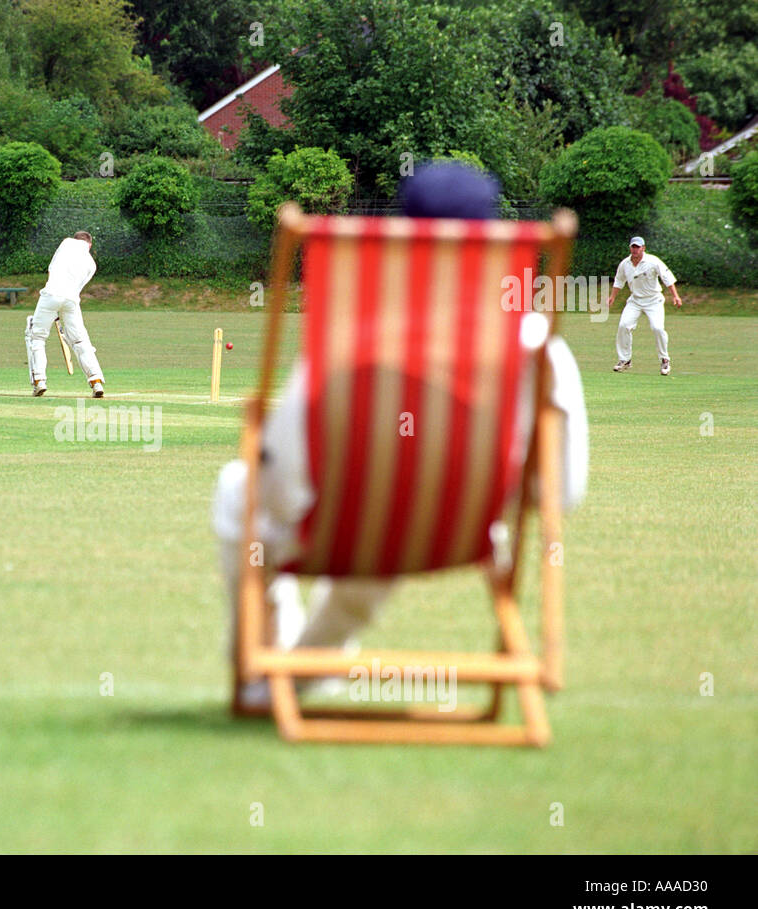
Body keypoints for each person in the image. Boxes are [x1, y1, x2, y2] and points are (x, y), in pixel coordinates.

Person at [212, 162, 590, 705]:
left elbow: (280, 477)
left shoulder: (352, 331)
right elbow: (562, 492)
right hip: (469, 534)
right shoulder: (535, 341)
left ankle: (268, 663)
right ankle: (306, 665)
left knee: (243, 488)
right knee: (402, 501)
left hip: (349, 525)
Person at [25, 231, 105, 397]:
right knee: (80, 340)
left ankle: (39, 381)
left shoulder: (67, 243)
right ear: (89, 245)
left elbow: (51, 270)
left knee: (37, 337)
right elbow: (77, 287)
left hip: (51, 295)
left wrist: (54, 310)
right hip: (71, 300)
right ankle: (96, 381)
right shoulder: (91, 264)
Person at [607, 236, 681, 375]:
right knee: (623, 325)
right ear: (630, 248)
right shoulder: (625, 264)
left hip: (654, 300)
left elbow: (667, 278)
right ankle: (625, 360)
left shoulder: (653, 261)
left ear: (643, 248)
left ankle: (665, 360)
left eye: (638, 247)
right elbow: (619, 281)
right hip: (635, 300)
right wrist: (612, 297)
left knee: (657, 328)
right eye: (633, 247)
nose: (635, 250)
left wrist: (675, 296)